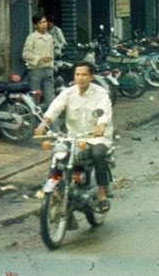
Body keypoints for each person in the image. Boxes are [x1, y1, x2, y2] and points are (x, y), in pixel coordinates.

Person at [34, 62, 114, 213]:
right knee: (58, 155)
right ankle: (55, 190)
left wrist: (101, 126)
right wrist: (43, 124)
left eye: (84, 75)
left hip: (96, 137)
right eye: (78, 74)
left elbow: (105, 111)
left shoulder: (100, 93)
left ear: (91, 77)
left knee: (98, 154)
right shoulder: (68, 93)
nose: (81, 78)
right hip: (73, 136)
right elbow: (55, 107)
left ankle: (103, 194)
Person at [23, 13, 56, 107]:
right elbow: (25, 54)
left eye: (45, 22)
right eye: (41, 23)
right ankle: (34, 121)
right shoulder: (31, 38)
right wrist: (39, 59)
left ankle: (49, 120)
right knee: (35, 99)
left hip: (48, 70)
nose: (44, 24)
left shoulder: (50, 37)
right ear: (35, 25)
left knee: (50, 99)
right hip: (36, 71)